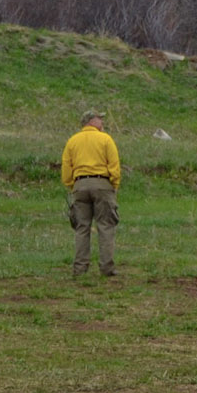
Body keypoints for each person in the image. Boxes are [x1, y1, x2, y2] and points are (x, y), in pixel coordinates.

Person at [61, 110, 122, 277]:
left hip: (80, 185)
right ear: (92, 121)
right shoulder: (105, 139)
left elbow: (66, 167)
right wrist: (114, 184)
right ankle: (107, 268)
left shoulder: (72, 141)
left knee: (82, 227)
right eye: (100, 119)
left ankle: (80, 269)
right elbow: (114, 165)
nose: (102, 122)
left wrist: (71, 184)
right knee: (105, 226)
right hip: (102, 184)